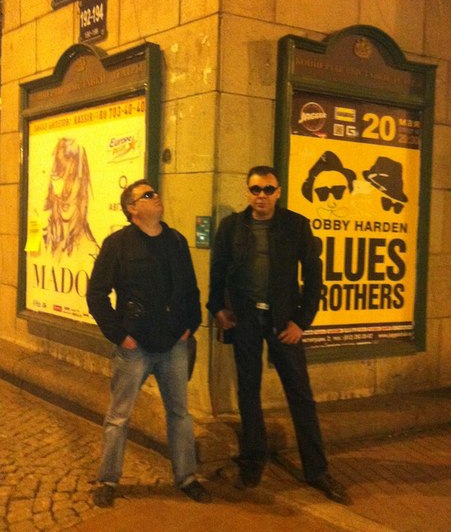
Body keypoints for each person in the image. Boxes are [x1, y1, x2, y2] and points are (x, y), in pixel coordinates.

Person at [207, 165, 350, 504]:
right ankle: (254, 461)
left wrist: (302, 322)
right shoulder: (231, 227)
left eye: (268, 189)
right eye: (256, 189)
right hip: (245, 320)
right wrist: (217, 308)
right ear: (247, 192)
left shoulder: (295, 225)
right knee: (248, 392)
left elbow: (314, 277)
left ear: (278, 191)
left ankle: (317, 470)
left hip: (284, 322)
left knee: (300, 394)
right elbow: (218, 270)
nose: (262, 195)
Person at [87, 179, 211, 507]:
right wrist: (119, 335)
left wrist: (190, 325)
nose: (156, 197)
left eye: (154, 193)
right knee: (119, 416)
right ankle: (107, 480)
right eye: (147, 195)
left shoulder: (176, 241)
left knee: (180, 414)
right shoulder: (118, 244)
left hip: (174, 345)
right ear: (132, 208)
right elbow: (96, 293)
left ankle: (187, 477)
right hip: (135, 347)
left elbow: (190, 289)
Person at [44, 137, 98, 259]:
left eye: (71, 178)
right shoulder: (46, 241)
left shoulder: (89, 249)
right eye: (59, 175)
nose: (65, 192)